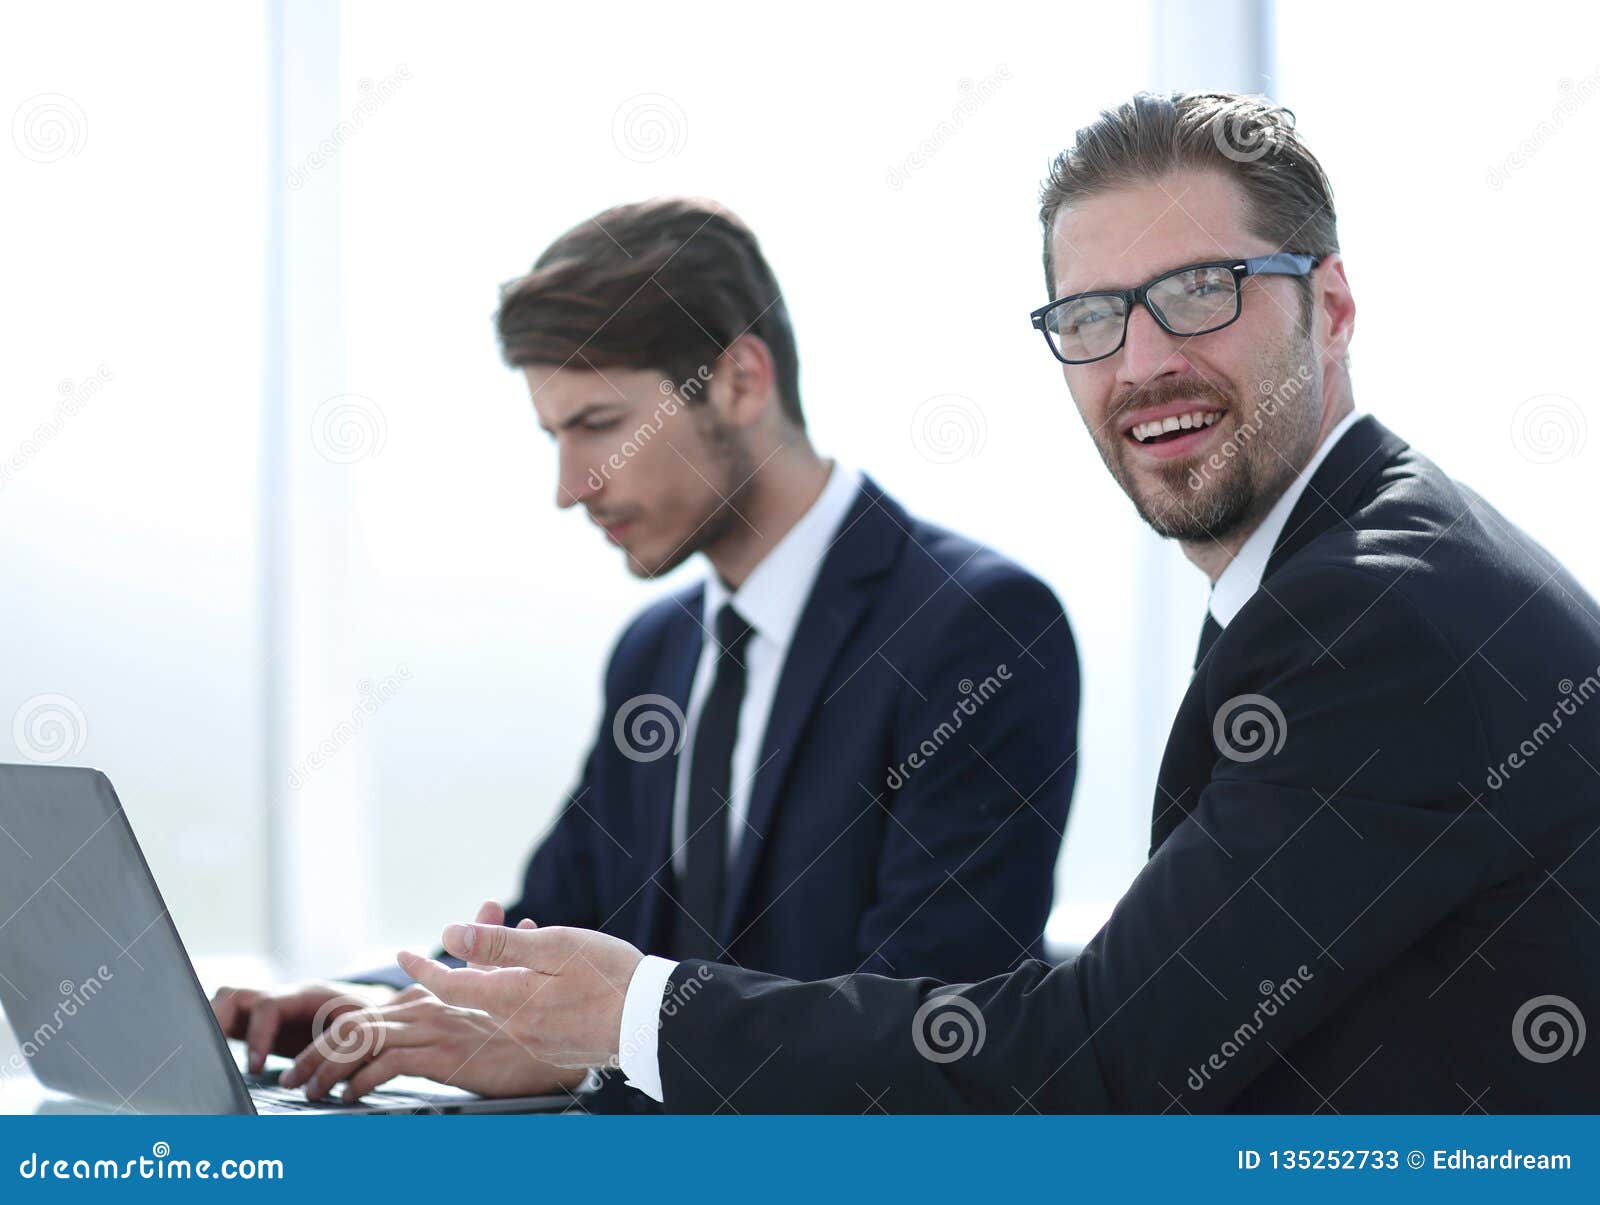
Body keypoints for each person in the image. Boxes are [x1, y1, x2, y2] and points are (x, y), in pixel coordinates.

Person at [394, 94, 1600, 1113]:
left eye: (1200, 291)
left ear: (1328, 306)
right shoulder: (1348, 568)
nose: (1139, 364)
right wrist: (409, 1007)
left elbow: (1105, 1053)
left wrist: (632, 1014)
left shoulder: (1380, 614)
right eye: (1090, 318)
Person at [211, 197, 1079, 1106]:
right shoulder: (657, 651)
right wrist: (382, 1003)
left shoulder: (979, 627)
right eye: (554, 436)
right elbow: (559, 919)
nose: (568, 486)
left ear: (741, 380)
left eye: (597, 424)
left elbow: (929, 1035)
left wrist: (598, 1053)